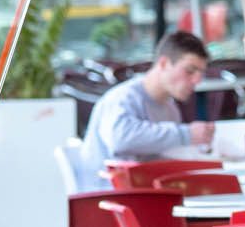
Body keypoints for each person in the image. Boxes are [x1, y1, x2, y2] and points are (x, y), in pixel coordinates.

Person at [78, 31, 214, 187]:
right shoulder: (122, 98)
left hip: (142, 191)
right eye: (189, 71)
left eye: (200, 74)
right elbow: (121, 139)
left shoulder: (170, 108)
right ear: (163, 63)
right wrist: (185, 134)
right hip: (109, 198)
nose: (197, 80)